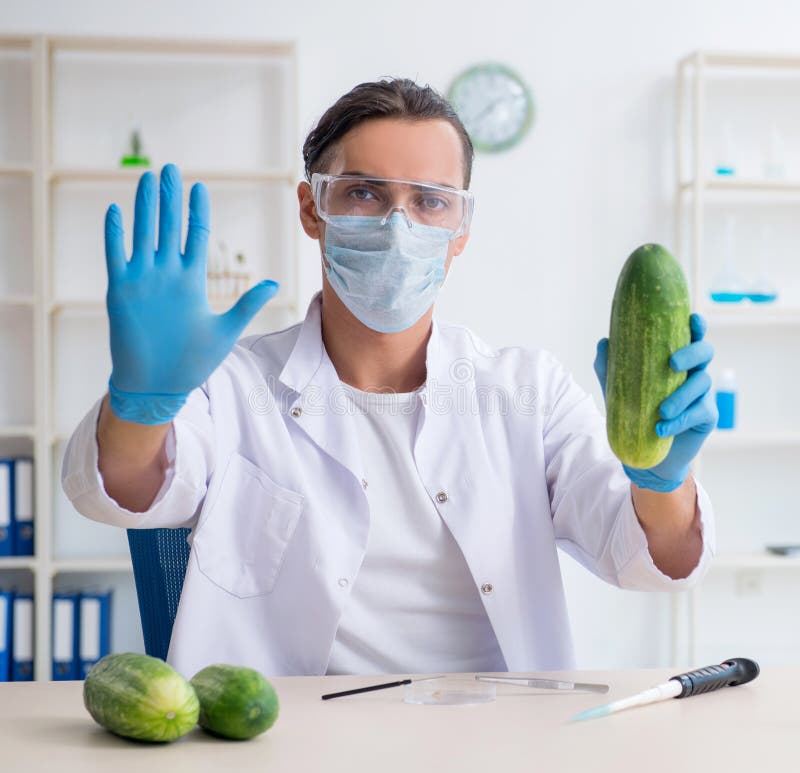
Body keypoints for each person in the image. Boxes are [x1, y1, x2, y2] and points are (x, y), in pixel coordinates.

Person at [62, 78, 717, 679]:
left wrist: (661, 478)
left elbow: (646, 558)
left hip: (491, 740)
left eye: (430, 201)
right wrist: (141, 406)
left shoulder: (527, 392)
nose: (398, 225)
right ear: (312, 209)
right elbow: (116, 490)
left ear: (460, 229)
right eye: (365, 192)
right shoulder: (229, 384)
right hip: (284, 742)